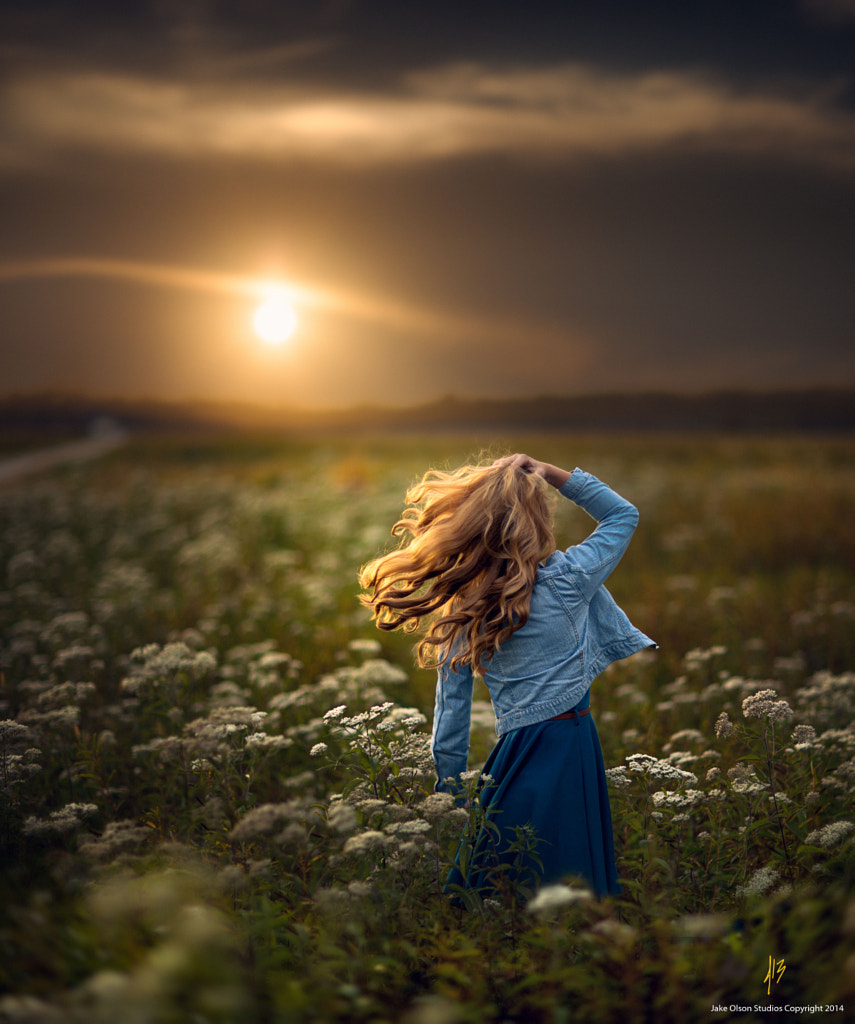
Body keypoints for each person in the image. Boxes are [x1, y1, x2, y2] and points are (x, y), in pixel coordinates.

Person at [359, 453, 656, 900]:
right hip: (572, 740)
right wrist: (551, 473)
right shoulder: (570, 577)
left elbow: (450, 719)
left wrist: (451, 793)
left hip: (515, 754)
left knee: (506, 875)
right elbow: (622, 514)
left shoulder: (463, 609)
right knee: (571, 872)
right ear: (536, 521)